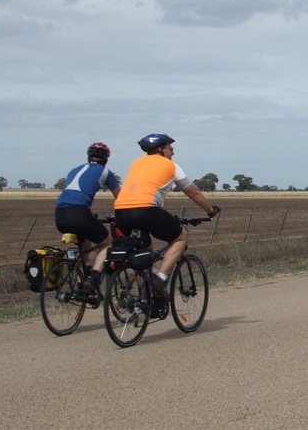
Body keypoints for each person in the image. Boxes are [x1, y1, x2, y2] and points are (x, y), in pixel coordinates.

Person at [114, 133, 220, 313]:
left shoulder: (136, 164)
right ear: (160, 149)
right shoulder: (170, 165)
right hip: (147, 210)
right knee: (181, 237)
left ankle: (144, 302)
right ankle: (160, 278)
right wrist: (210, 210)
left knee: (145, 256)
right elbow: (193, 192)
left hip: (121, 212)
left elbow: (142, 193)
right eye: (171, 148)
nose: (173, 152)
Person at [54, 141, 122, 300]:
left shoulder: (74, 170)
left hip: (60, 213)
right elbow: (121, 198)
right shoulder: (105, 172)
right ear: (106, 158)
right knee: (107, 243)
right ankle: (94, 279)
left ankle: (80, 285)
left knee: (84, 246)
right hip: (80, 212)